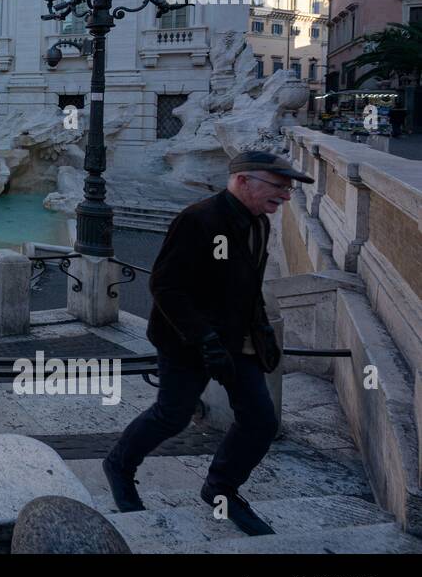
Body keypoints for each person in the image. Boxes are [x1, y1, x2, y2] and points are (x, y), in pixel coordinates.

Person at [103, 150, 313, 537]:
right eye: (278, 186)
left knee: (261, 420)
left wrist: (261, 329)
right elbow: (165, 286)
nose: (286, 196)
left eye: (288, 189)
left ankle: (221, 488)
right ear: (243, 181)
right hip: (186, 340)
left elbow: (247, 285)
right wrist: (205, 339)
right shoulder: (198, 219)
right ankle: (119, 464)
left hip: (237, 340)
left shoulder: (260, 223)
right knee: (173, 415)